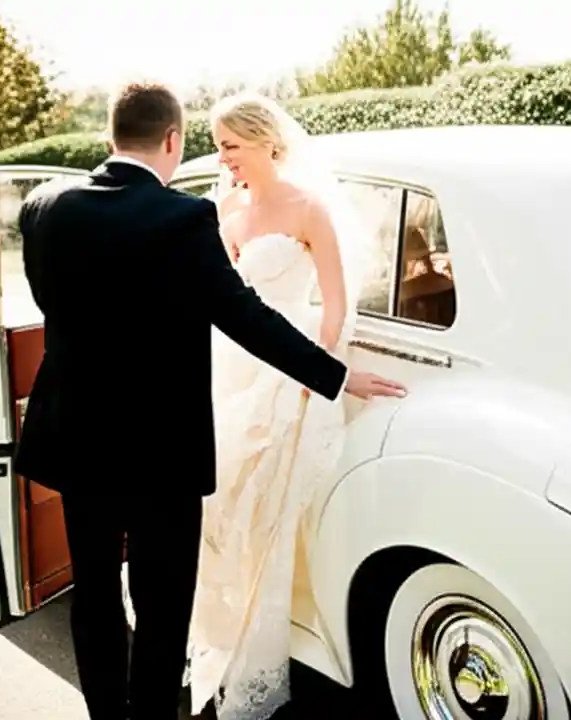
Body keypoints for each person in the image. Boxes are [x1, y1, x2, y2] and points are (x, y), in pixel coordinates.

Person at [11, 81, 407, 720]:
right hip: (161, 450)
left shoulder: (44, 207)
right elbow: (242, 315)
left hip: (77, 442)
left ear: (112, 134)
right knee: (163, 601)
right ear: (172, 140)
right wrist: (335, 375)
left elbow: (52, 303)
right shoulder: (182, 218)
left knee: (96, 596)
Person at [153, 92, 374, 720]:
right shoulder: (224, 207)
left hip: (290, 373)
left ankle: (256, 653)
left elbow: (336, 303)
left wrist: (315, 373)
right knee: (215, 508)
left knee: (262, 515)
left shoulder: (309, 209)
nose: (222, 159)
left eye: (230, 146)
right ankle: (214, 634)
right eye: (219, 146)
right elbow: (218, 295)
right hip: (230, 367)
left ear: (266, 143)